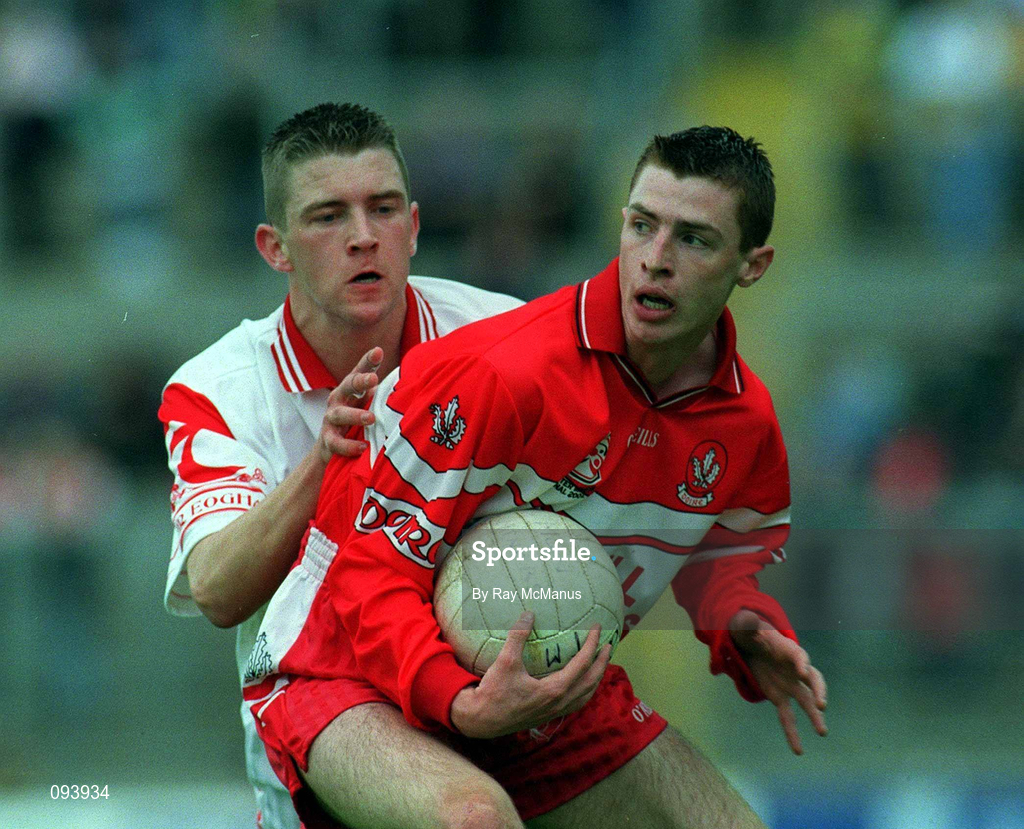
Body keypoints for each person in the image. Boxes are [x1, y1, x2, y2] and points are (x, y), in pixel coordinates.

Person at [243, 126, 829, 828]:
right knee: (475, 820)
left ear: (752, 264)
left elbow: (725, 555)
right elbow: (368, 573)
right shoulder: (502, 373)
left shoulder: (747, 424)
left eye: (695, 239)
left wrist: (742, 625)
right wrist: (460, 701)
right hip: (341, 668)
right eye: (643, 226)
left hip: (533, 695)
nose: (656, 260)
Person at [157, 102, 523, 829]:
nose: (363, 237)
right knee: (472, 819)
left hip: (499, 701)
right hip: (322, 719)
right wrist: (327, 460)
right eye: (328, 217)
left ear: (413, 228)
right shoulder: (217, 387)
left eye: (383, 209)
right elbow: (218, 589)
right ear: (275, 247)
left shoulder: (502, 338)